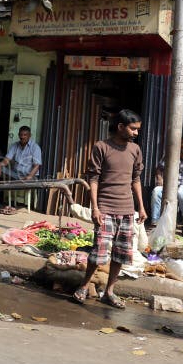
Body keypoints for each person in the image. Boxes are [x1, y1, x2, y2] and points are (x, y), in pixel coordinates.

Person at [72, 109, 147, 309]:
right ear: (121, 127)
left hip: (127, 209)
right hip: (105, 207)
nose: (136, 133)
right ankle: (84, 286)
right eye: (133, 129)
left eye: (137, 129)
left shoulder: (135, 150)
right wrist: (95, 207)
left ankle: (109, 292)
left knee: (120, 254)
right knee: (98, 252)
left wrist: (141, 207)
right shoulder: (101, 147)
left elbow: (136, 179)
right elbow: (93, 178)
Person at [150, 134, 183, 237]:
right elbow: (159, 169)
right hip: (169, 186)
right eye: (182, 143)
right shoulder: (170, 156)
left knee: (181, 191)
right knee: (156, 191)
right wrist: (160, 179)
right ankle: (155, 223)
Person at [0, 125, 42, 214]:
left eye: (25, 135)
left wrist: (29, 177)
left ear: (30, 135)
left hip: (30, 177)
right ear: (18, 135)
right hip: (16, 174)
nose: (23, 137)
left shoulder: (35, 147)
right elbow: (6, 160)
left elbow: (37, 165)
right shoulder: (15, 145)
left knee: (29, 177)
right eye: (21, 134)